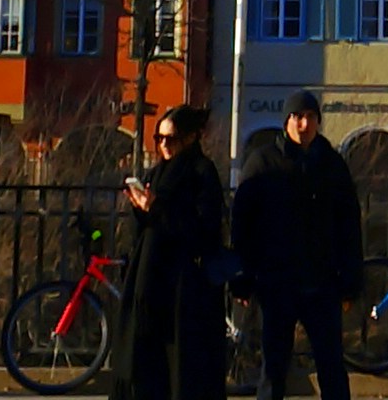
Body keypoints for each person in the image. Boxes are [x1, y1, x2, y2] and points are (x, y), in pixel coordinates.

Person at [226, 97, 360, 400]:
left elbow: (349, 224)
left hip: (322, 279)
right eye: (297, 117)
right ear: (286, 121)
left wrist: (351, 280)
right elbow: (243, 226)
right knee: (273, 368)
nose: (304, 124)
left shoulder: (331, 164)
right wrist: (242, 279)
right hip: (277, 281)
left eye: (311, 117)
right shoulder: (263, 162)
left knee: (331, 366)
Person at [115, 107, 225, 400]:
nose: (164, 145)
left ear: (190, 138)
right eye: (159, 138)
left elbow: (203, 230)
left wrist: (155, 208)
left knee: (182, 368)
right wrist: (139, 209)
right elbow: (143, 230)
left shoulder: (202, 173)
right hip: (150, 278)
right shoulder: (157, 172)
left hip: (183, 286)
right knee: (146, 363)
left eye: (171, 139)